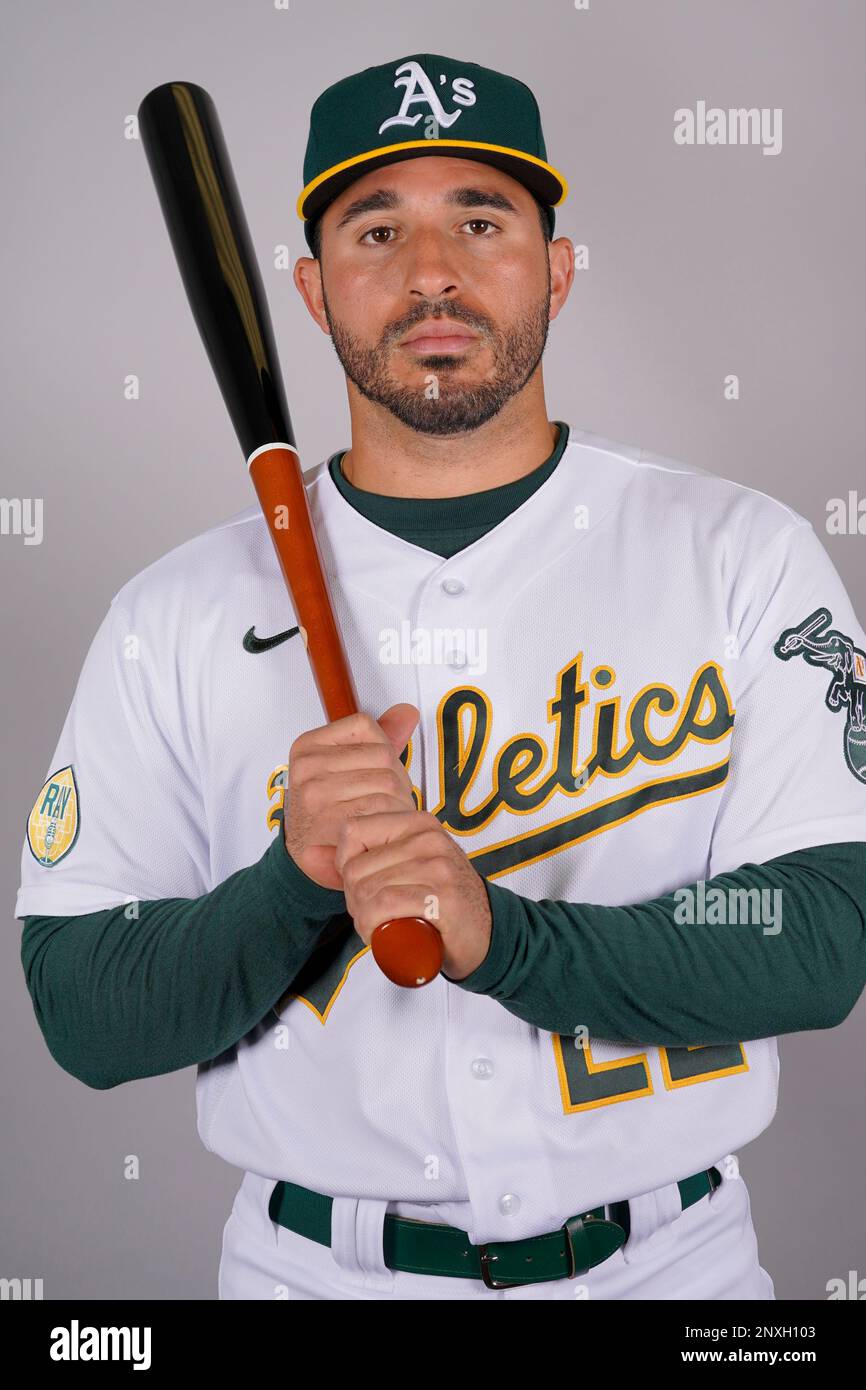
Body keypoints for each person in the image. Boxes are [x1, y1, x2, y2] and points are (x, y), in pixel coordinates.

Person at [16, 53, 866, 1301]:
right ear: (309, 291)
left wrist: (503, 937)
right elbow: (86, 1012)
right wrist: (284, 886)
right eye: (376, 230)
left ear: (557, 268)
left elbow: (821, 936)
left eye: (481, 219)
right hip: (316, 1277)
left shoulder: (740, 555)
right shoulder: (173, 615)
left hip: (672, 1275)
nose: (431, 273)